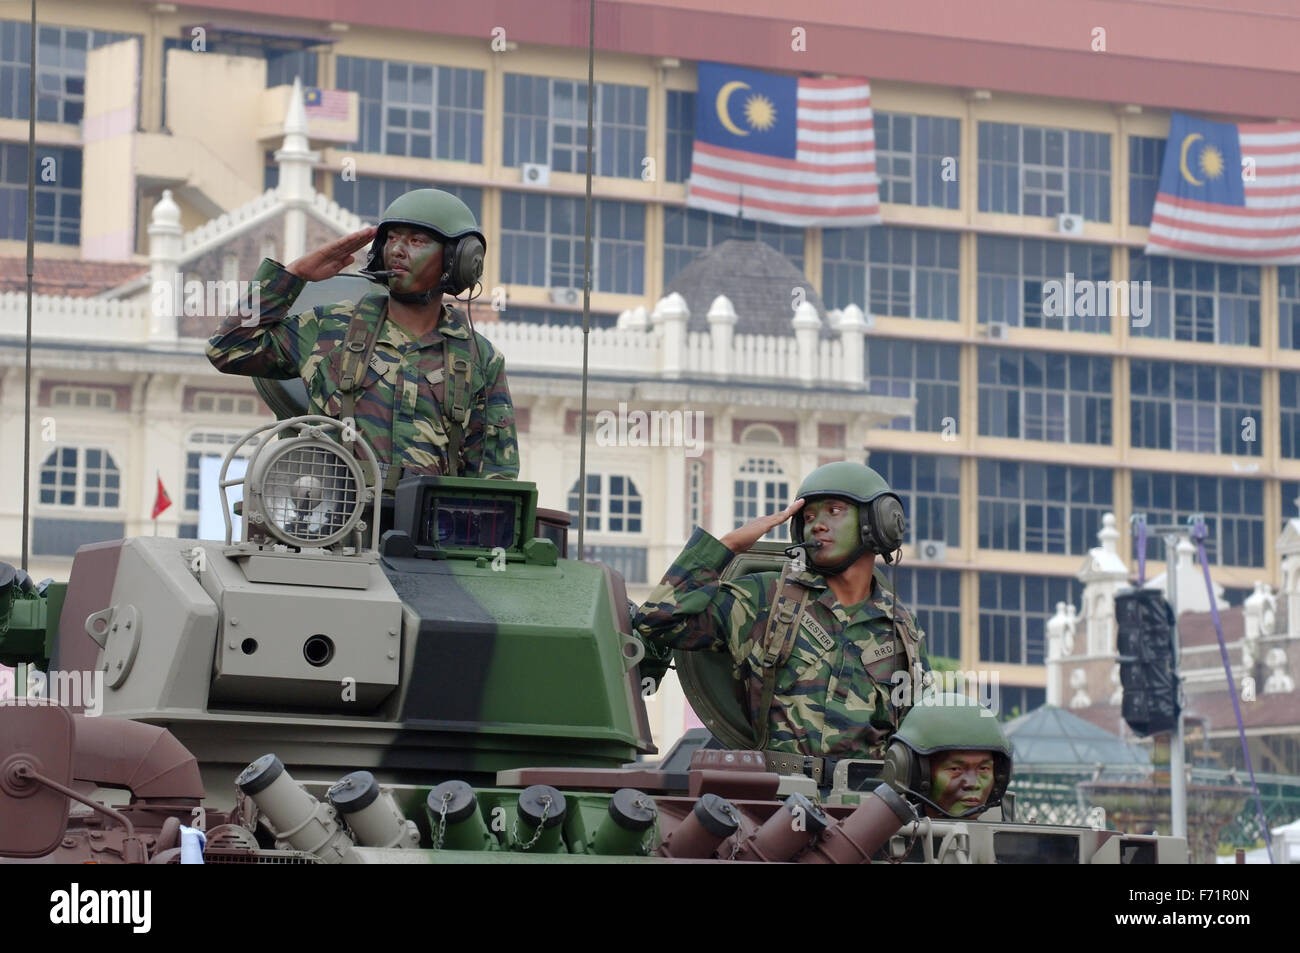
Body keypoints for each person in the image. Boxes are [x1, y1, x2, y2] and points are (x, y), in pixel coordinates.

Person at [207, 188, 518, 490]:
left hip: (427, 532)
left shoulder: (478, 358)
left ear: (458, 260)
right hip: (332, 522)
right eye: (392, 238)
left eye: (417, 240)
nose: (397, 249)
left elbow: (494, 476)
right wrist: (294, 274)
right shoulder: (329, 328)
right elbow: (228, 348)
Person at [633, 461, 928, 775]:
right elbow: (657, 620)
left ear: (877, 523)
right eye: (809, 517)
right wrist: (729, 545)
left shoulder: (901, 630)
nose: (817, 525)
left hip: (866, 804)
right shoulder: (765, 599)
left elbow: (919, 731)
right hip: (776, 798)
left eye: (835, 511)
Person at [884, 693, 1013, 819]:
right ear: (914, 774)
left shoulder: (1010, 837)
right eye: (955, 769)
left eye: (983, 769)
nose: (972, 783)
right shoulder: (881, 836)